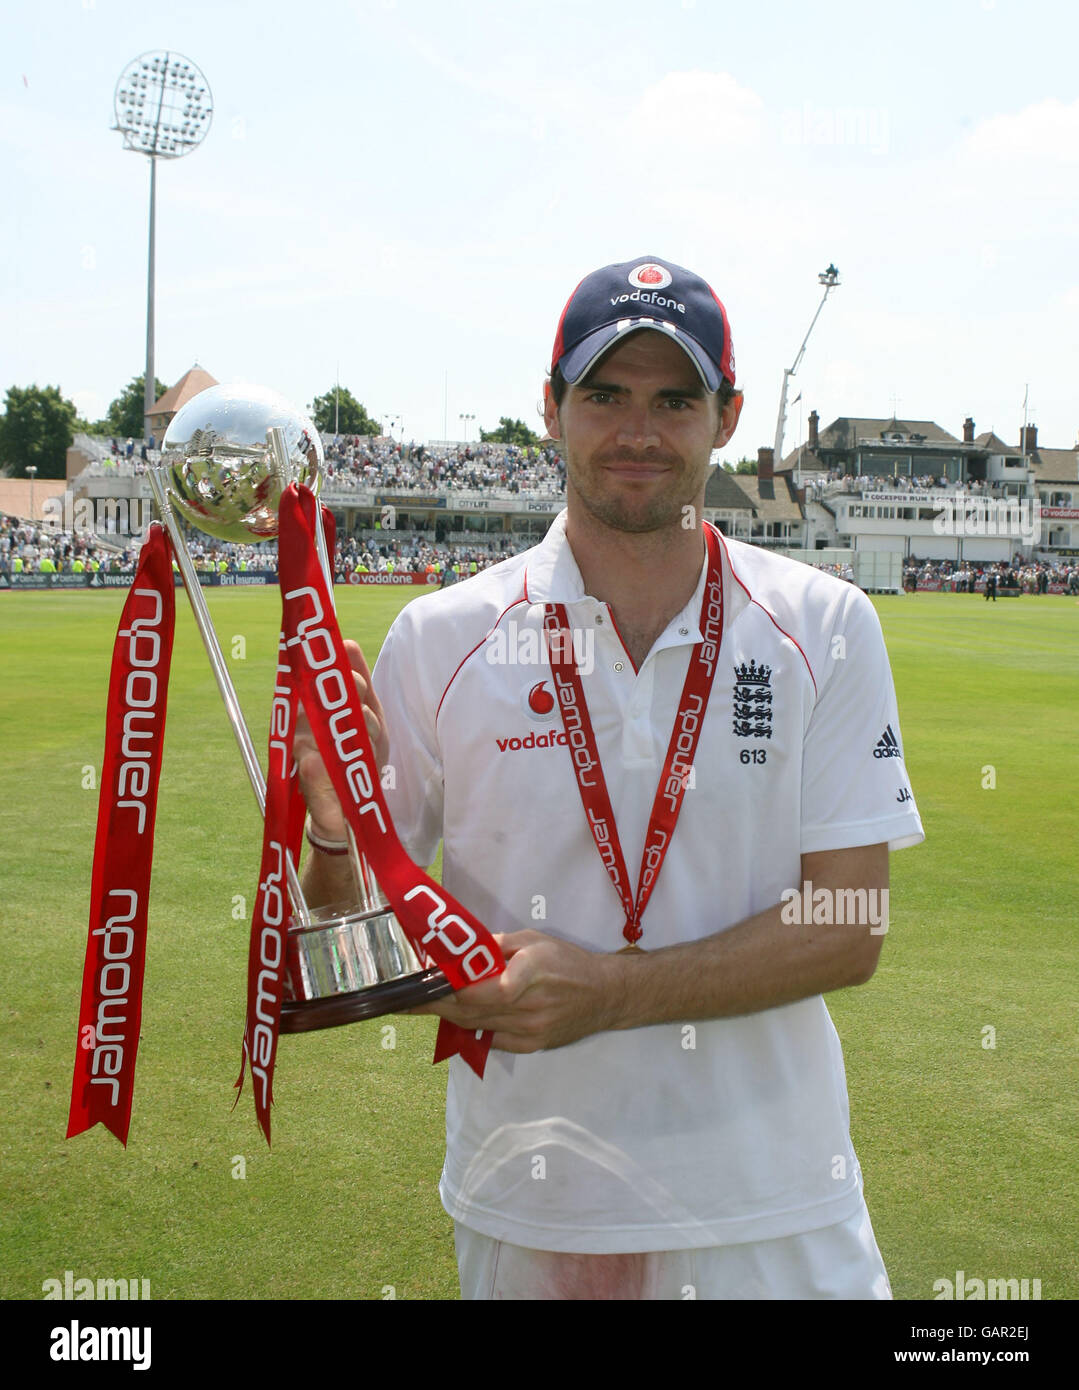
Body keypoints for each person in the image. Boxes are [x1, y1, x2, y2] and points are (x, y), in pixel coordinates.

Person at [296, 255, 924, 1300]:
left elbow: (849, 920)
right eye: (604, 396)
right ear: (549, 409)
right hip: (529, 1202)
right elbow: (344, 943)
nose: (637, 431)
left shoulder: (822, 625)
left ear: (724, 417)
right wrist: (327, 838)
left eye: (672, 399)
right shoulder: (438, 638)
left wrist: (612, 993)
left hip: (772, 1207)